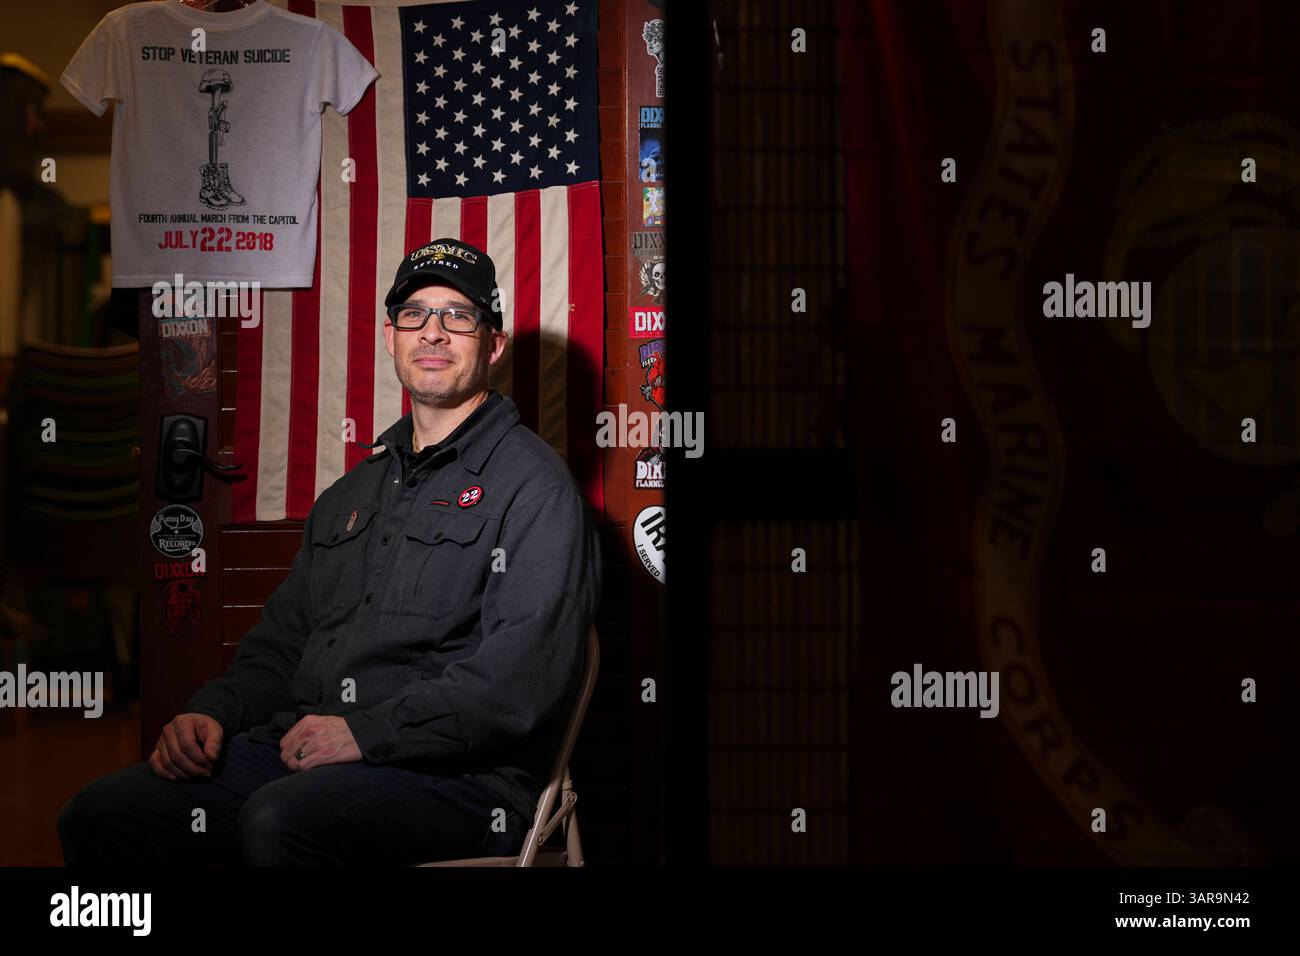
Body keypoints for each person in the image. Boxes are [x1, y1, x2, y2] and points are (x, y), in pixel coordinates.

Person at [57, 238, 603, 865]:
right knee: (101, 816)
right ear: (389, 337)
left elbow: (518, 684)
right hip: (309, 751)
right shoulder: (354, 492)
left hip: (465, 781)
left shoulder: (535, 489)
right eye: (415, 315)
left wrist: (364, 733)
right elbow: (283, 644)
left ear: (494, 344)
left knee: (278, 821)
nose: (433, 333)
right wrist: (213, 711)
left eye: (459, 315)